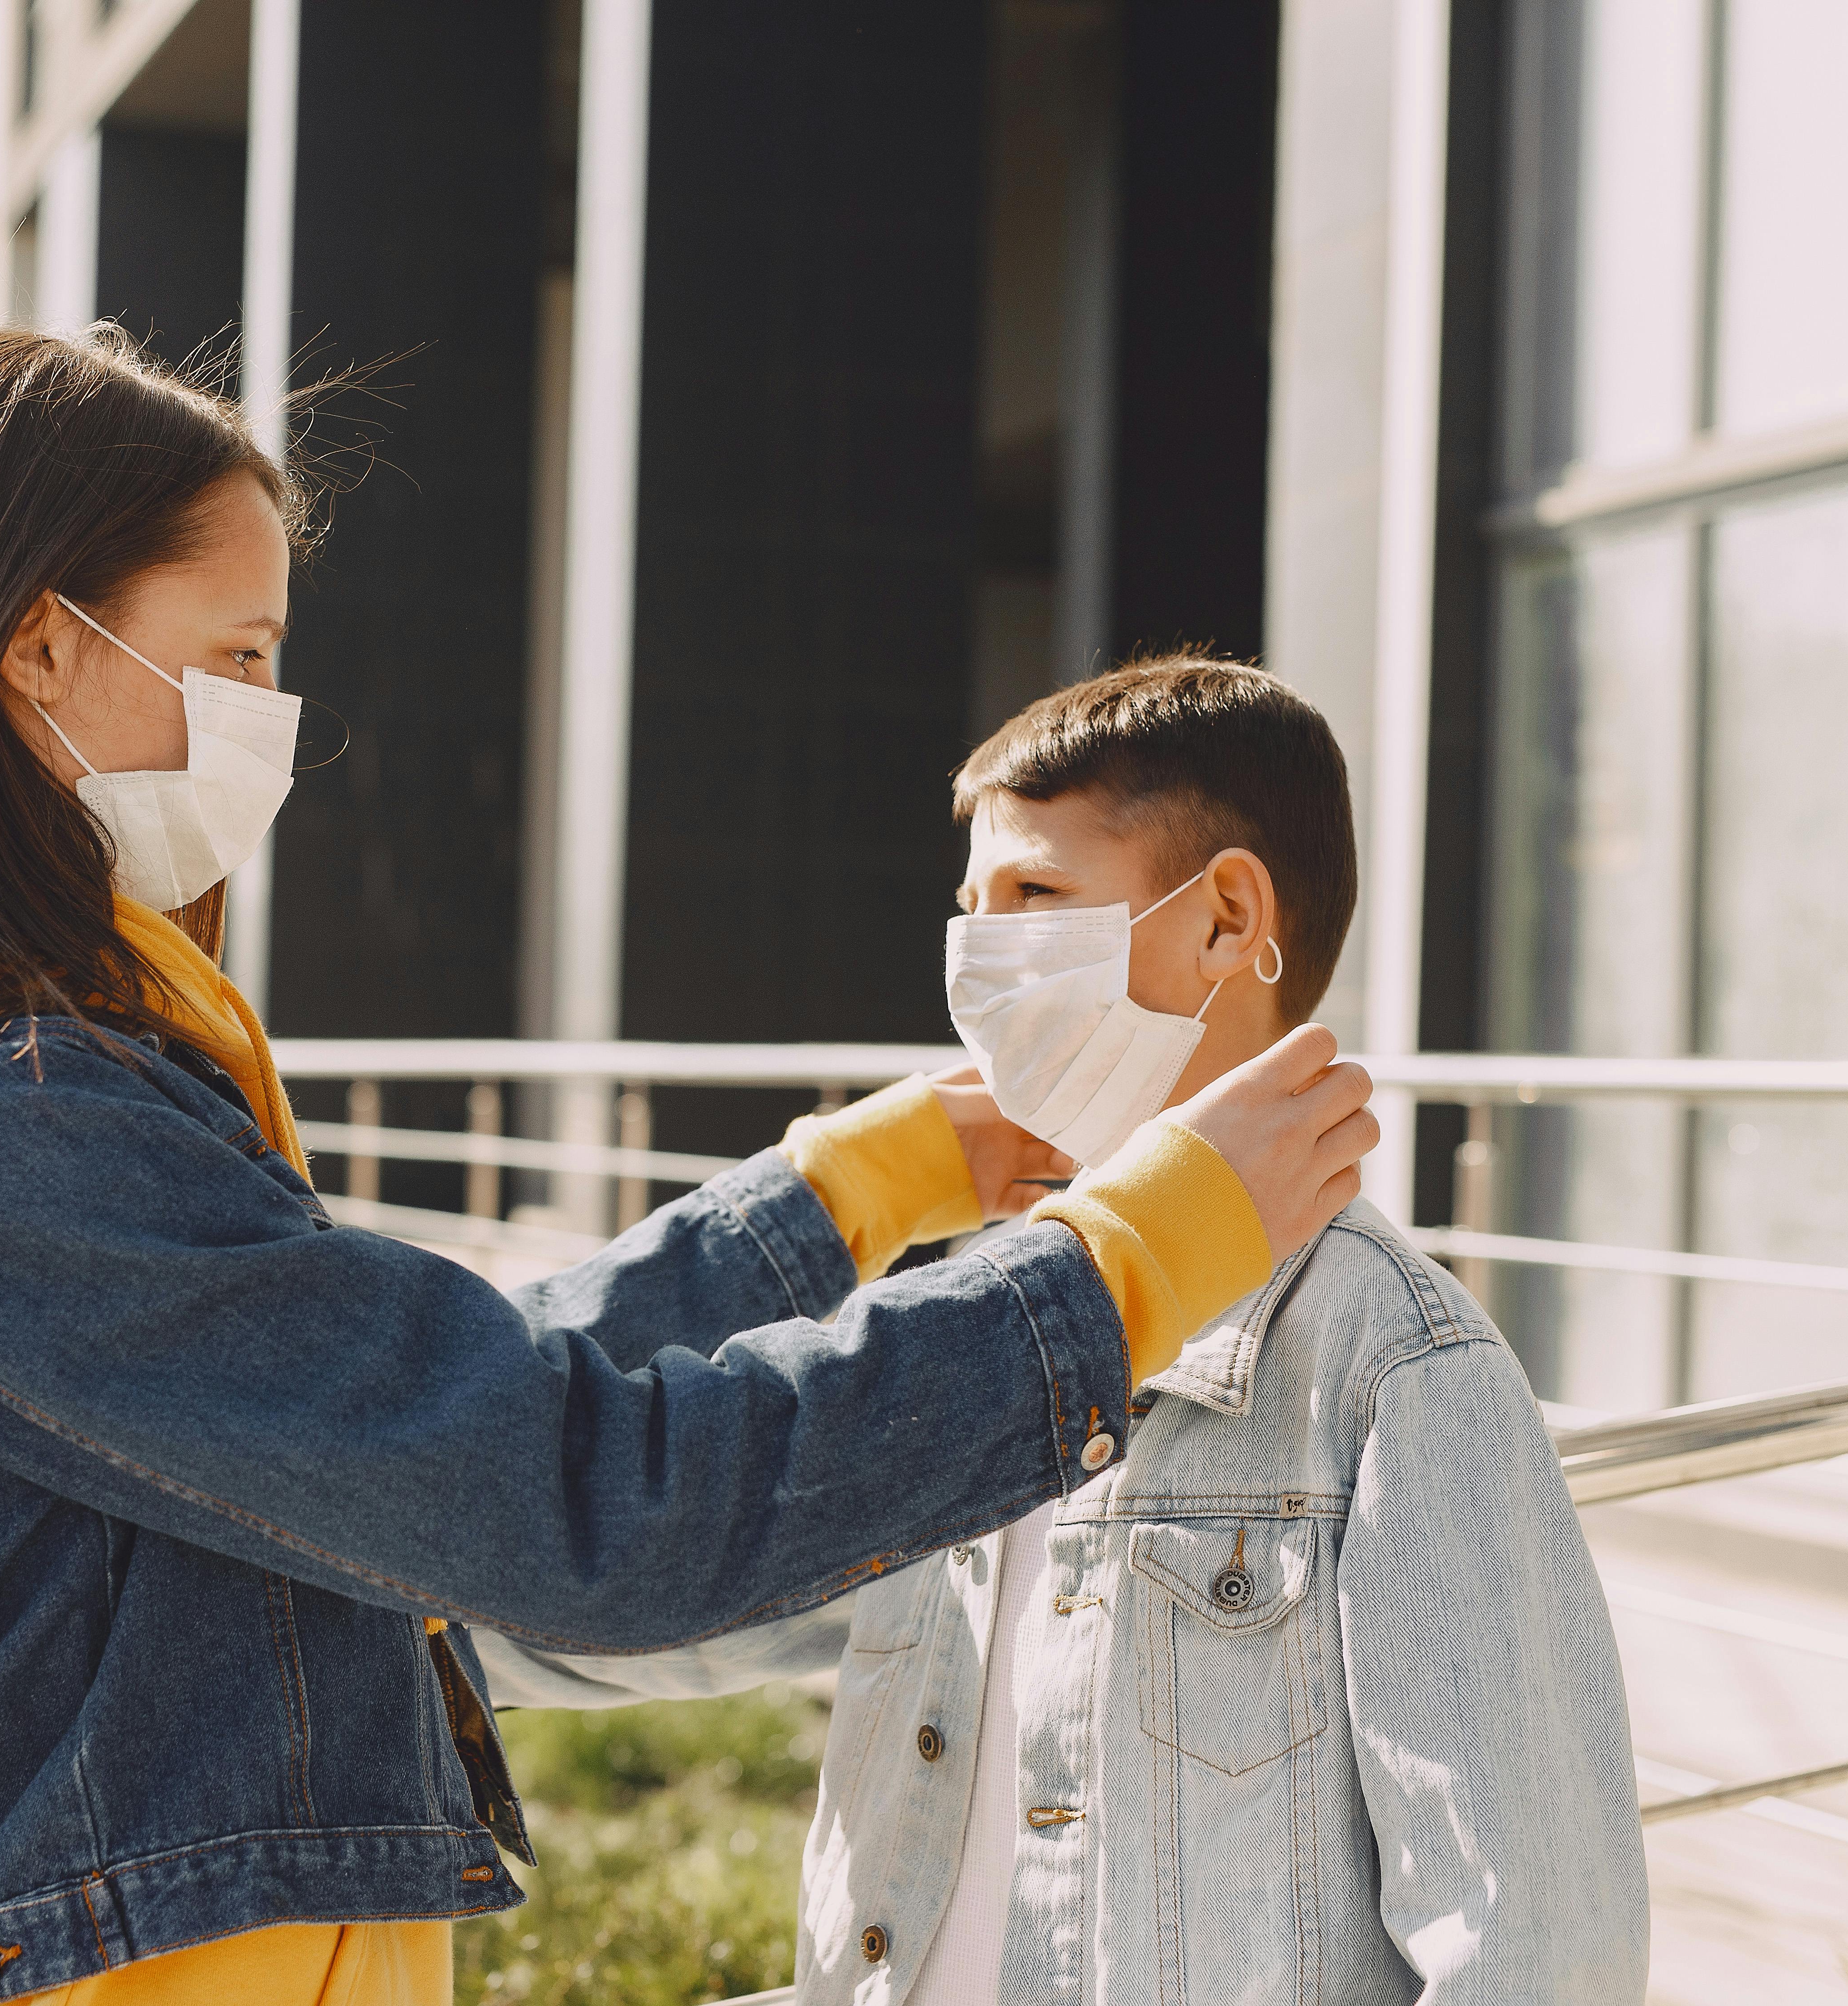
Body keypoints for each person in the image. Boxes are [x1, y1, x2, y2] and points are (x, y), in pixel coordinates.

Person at [0, 330, 1379, 2006]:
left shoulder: (26, 1076)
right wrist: (1128, 1260)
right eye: (236, 657)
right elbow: (577, 1503)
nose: (271, 718)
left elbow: (430, 1406)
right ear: (39, 646)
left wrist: (859, 1190)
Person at [480, 659, 1648, 2003]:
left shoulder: (1390, 1366)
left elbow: (1538, 1953)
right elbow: (605, 1601)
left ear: (1227, 920)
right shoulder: (966, 1331)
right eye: (971, 910)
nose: (981, 957)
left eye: (1034, 897)